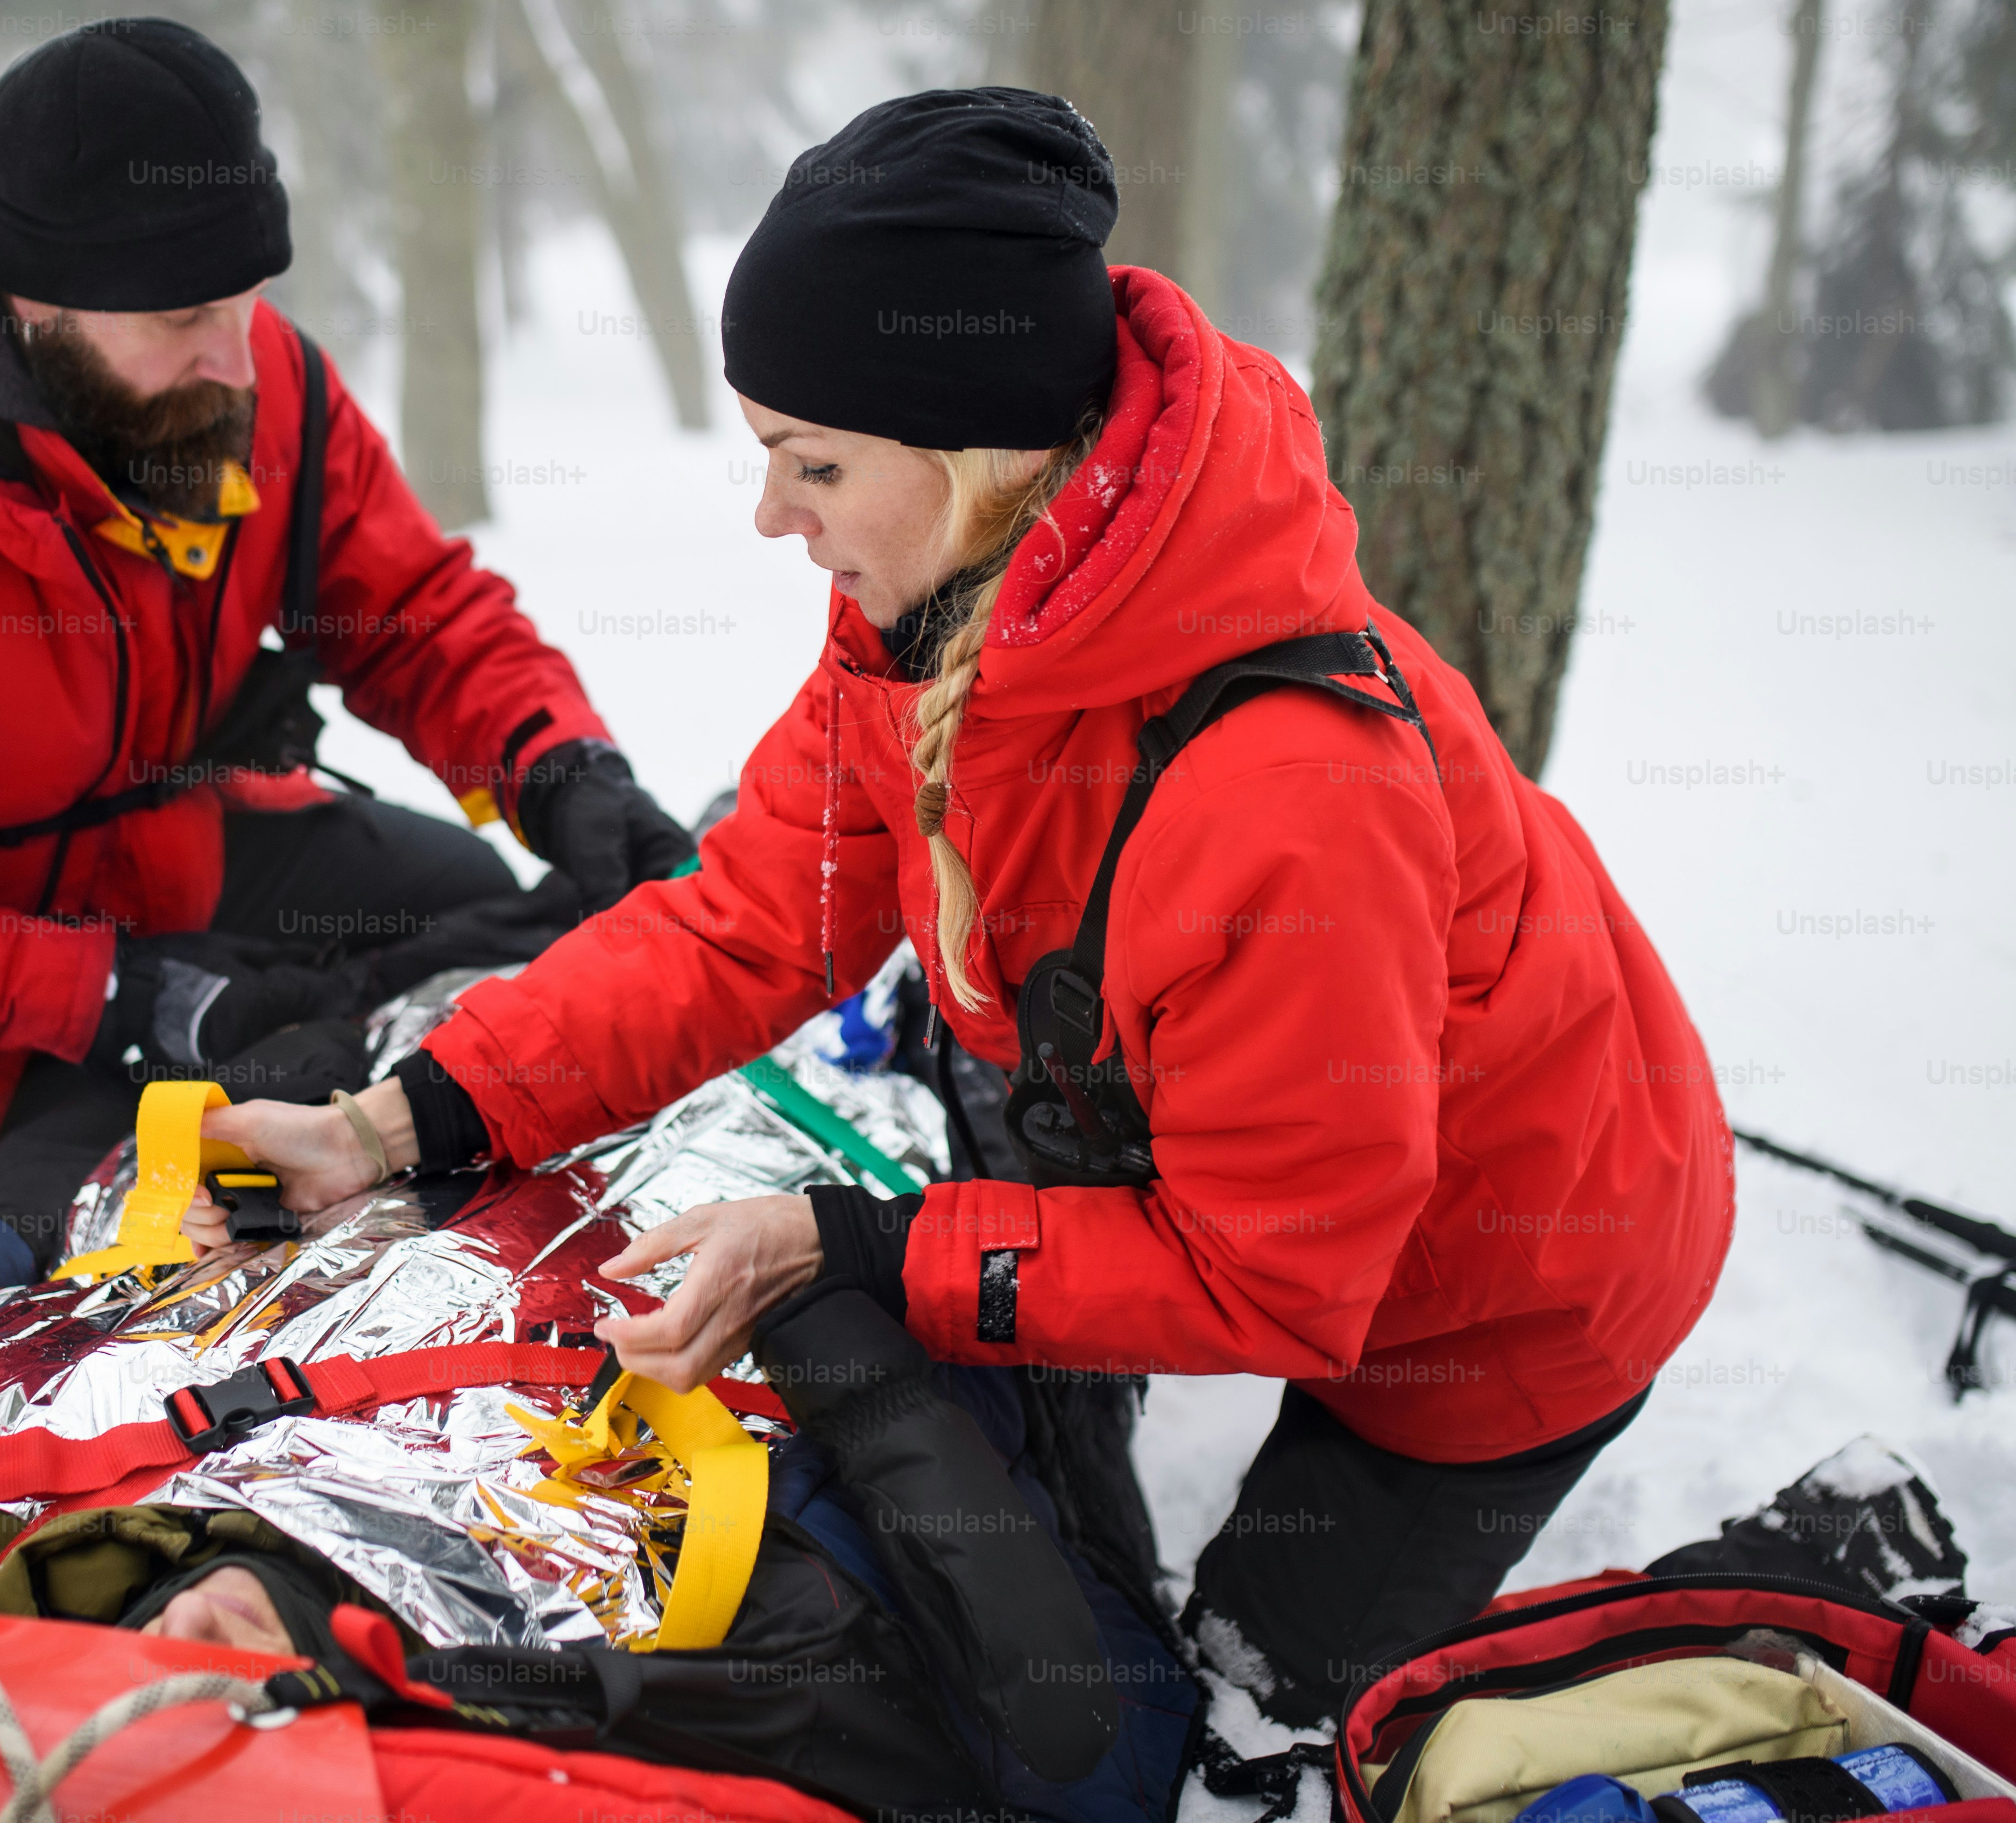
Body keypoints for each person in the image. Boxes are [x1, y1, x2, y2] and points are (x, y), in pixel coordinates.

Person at [196, 88, 1736, 1728]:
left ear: (972, 457)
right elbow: (744, 922)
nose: (771, 517)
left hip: (1510, 1278)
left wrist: (857, 1243)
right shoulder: (935, 622)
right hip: (1227, 1145)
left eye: (815, 464)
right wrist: (393, 1124)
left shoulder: (1282, 796)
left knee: (1258, 1698)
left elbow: (1281, 1279)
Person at [0, 18, 688, 1332]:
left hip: (166, 856)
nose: (241, 360)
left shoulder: (243, 383)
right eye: (186, 316)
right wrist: (134, 996)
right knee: (136, 1268)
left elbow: (411, 612)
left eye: (246, 301)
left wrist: (556, 769)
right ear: (34, 306)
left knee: (475, 913)